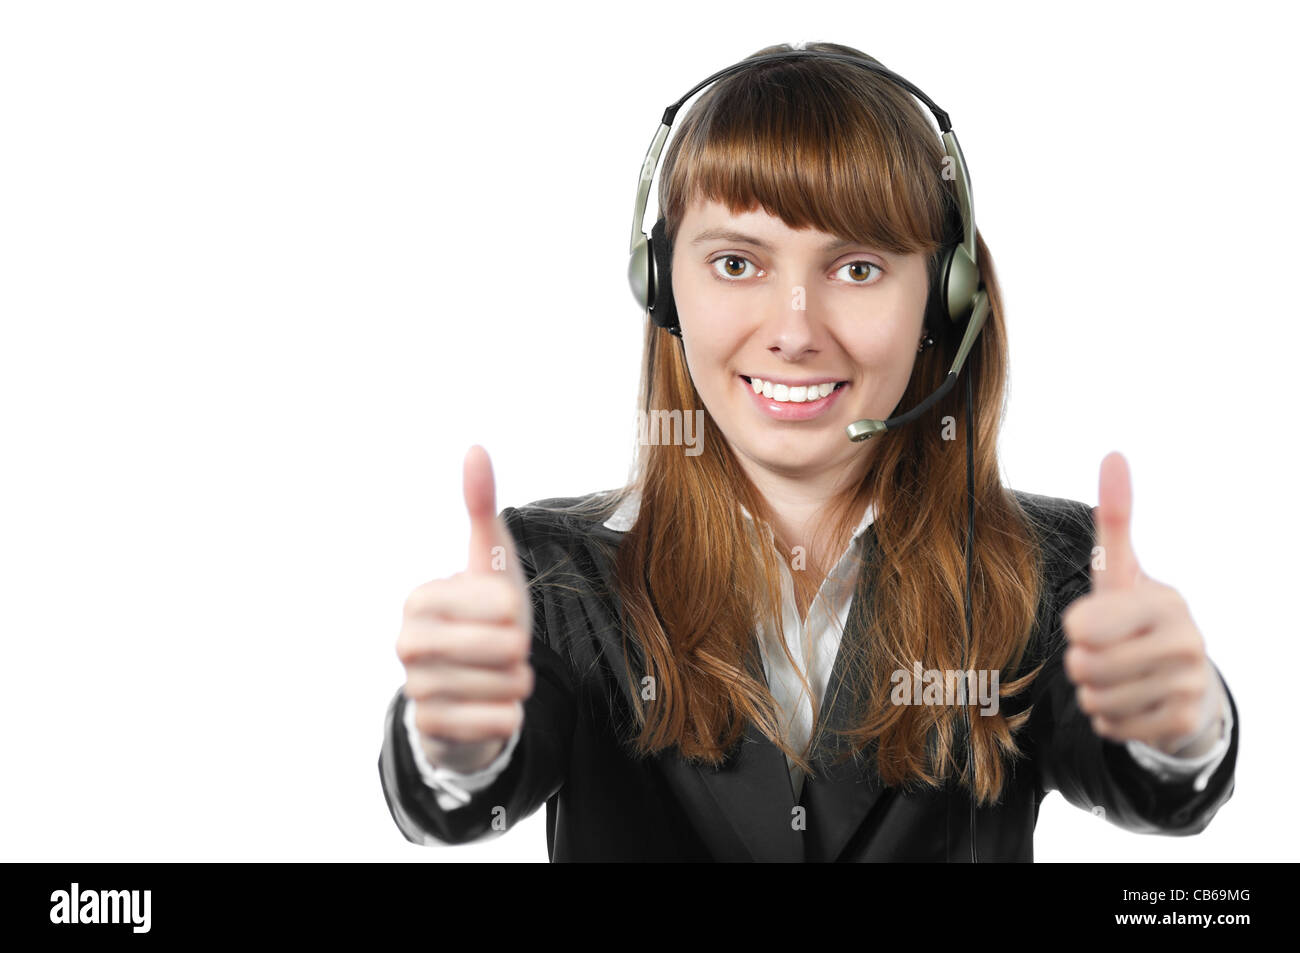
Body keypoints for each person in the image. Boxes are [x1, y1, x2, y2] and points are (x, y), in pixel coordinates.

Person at [378, 42, 1238, 862]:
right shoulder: (549, 579)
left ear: (946, 298)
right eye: (736, 263)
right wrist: (456, 741)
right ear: (662, 285)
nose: (793, 331)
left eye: (857, 268)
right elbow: (461, 793)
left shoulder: (1047, 573)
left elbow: (1149, 780)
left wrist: (1178, 726)